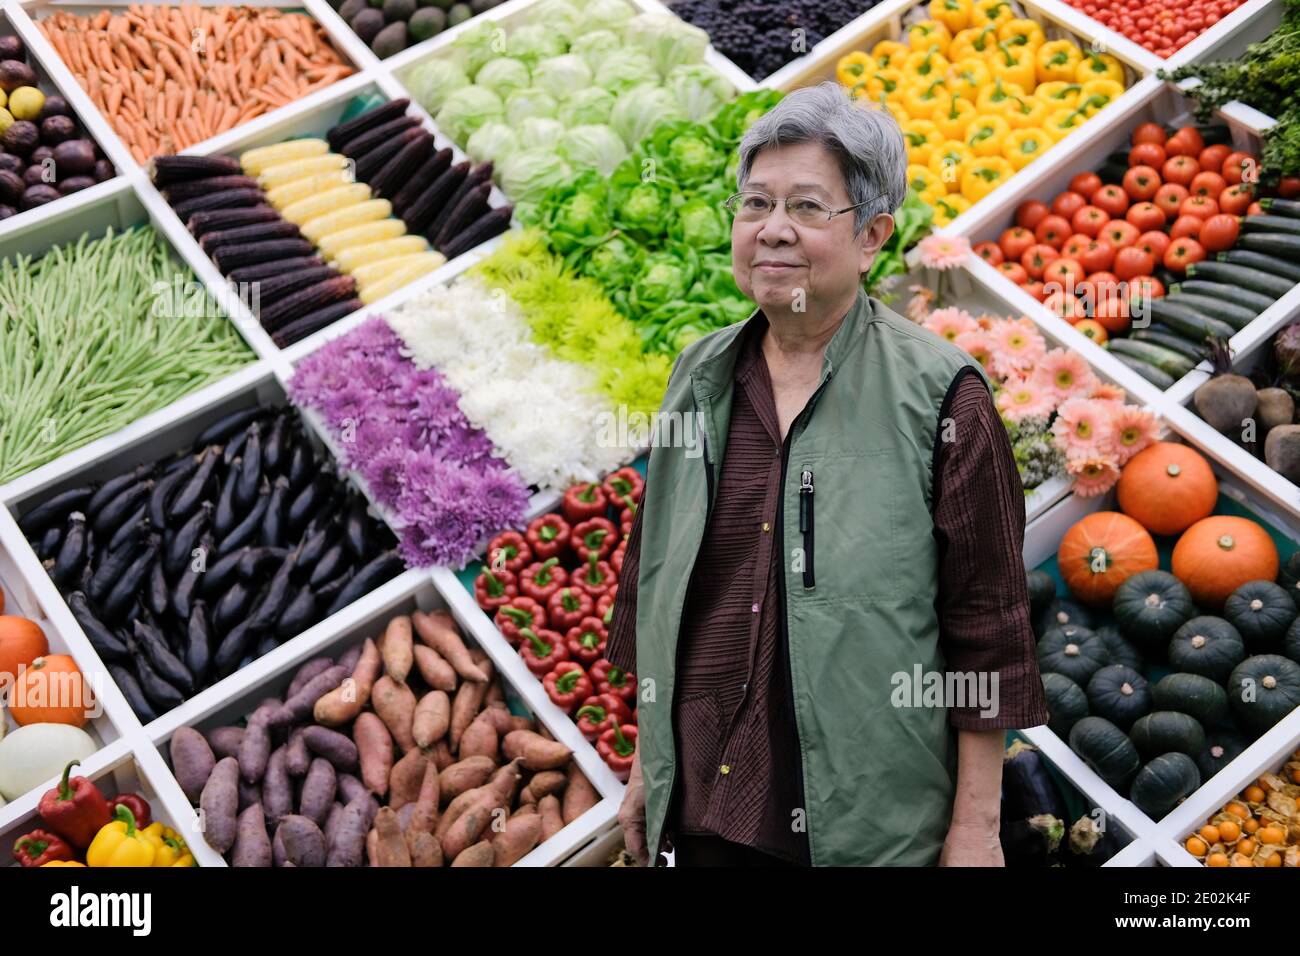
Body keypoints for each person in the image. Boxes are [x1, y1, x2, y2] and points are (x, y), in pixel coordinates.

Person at [603, 82, 1049, 867]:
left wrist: (976, 828)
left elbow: (988, 623)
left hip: (867, 822)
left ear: (873, 235)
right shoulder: (699, 375)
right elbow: (655, 577)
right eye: (755, 205)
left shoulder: (944, 395)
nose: (772, 230)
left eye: (808, 208)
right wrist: (650, 763)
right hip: (708, 805)